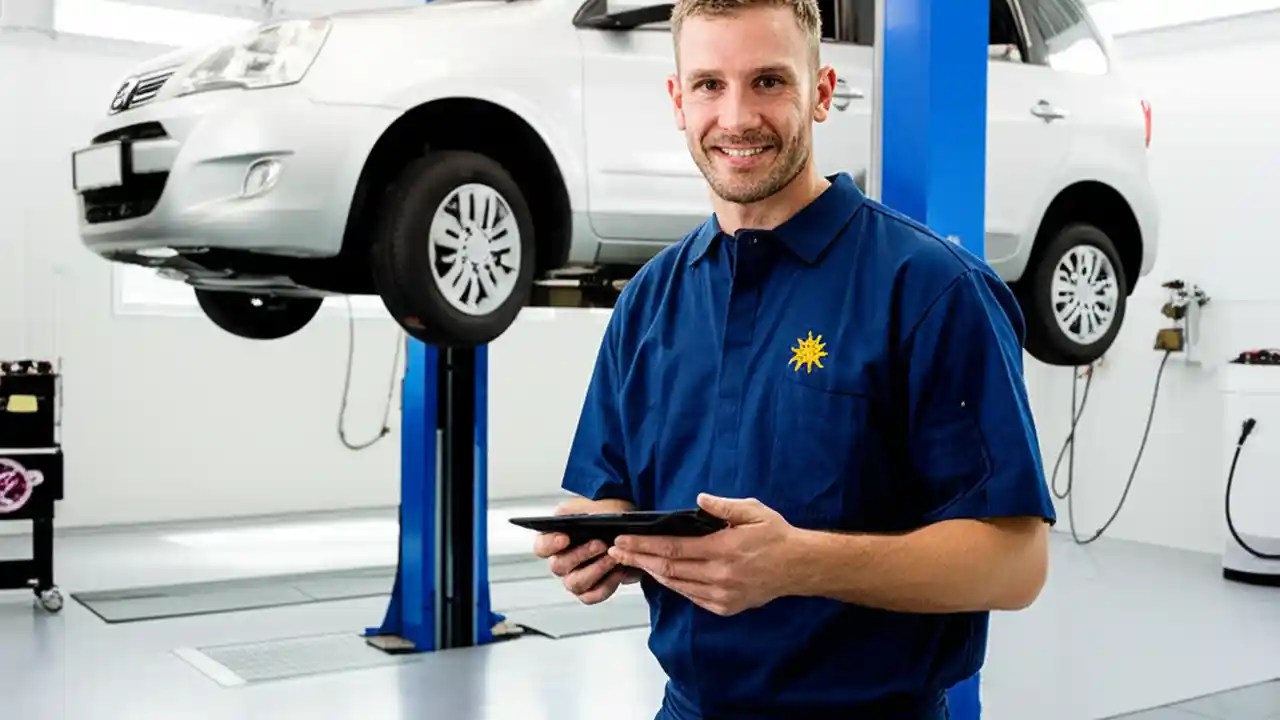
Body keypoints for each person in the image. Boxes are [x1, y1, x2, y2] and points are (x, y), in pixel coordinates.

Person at [533, 0, 1057, 716]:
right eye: (710, 85)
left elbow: (1016, 564)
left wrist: (797, 564)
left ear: (822, 92)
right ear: (677, 101)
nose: (738, 116)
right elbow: (611, 488)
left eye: (769, 82)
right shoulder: (652, 301)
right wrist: (599, 539)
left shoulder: (930, 288)